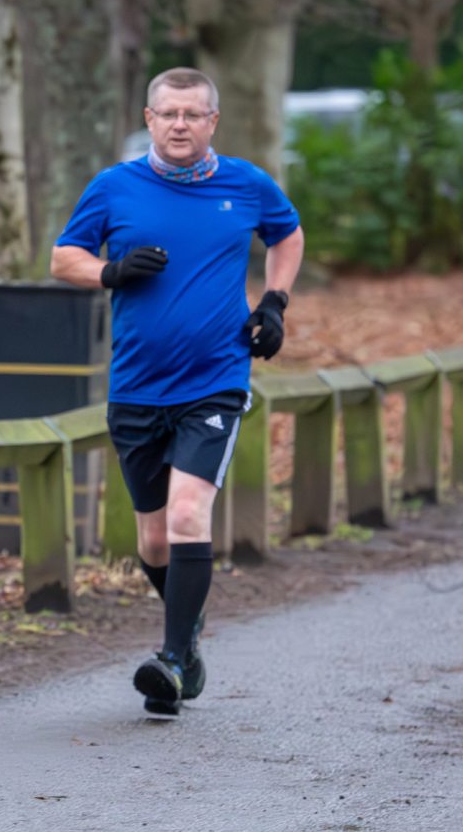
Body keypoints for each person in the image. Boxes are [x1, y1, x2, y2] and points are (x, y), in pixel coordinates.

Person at [50, 67, 304, 716]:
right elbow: (62, 257)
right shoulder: (115, 186)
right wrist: (110, 270)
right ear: (149, 118)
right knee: (156, 540)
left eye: (193, 114)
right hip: (136, 385)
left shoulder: (245, 184)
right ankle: (187, 642)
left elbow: (287, 233)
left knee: (190, 514)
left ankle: (168, 660)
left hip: (214, 379)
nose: (180, 125)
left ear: (213, 121)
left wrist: (273, 303)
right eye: (169, 114)